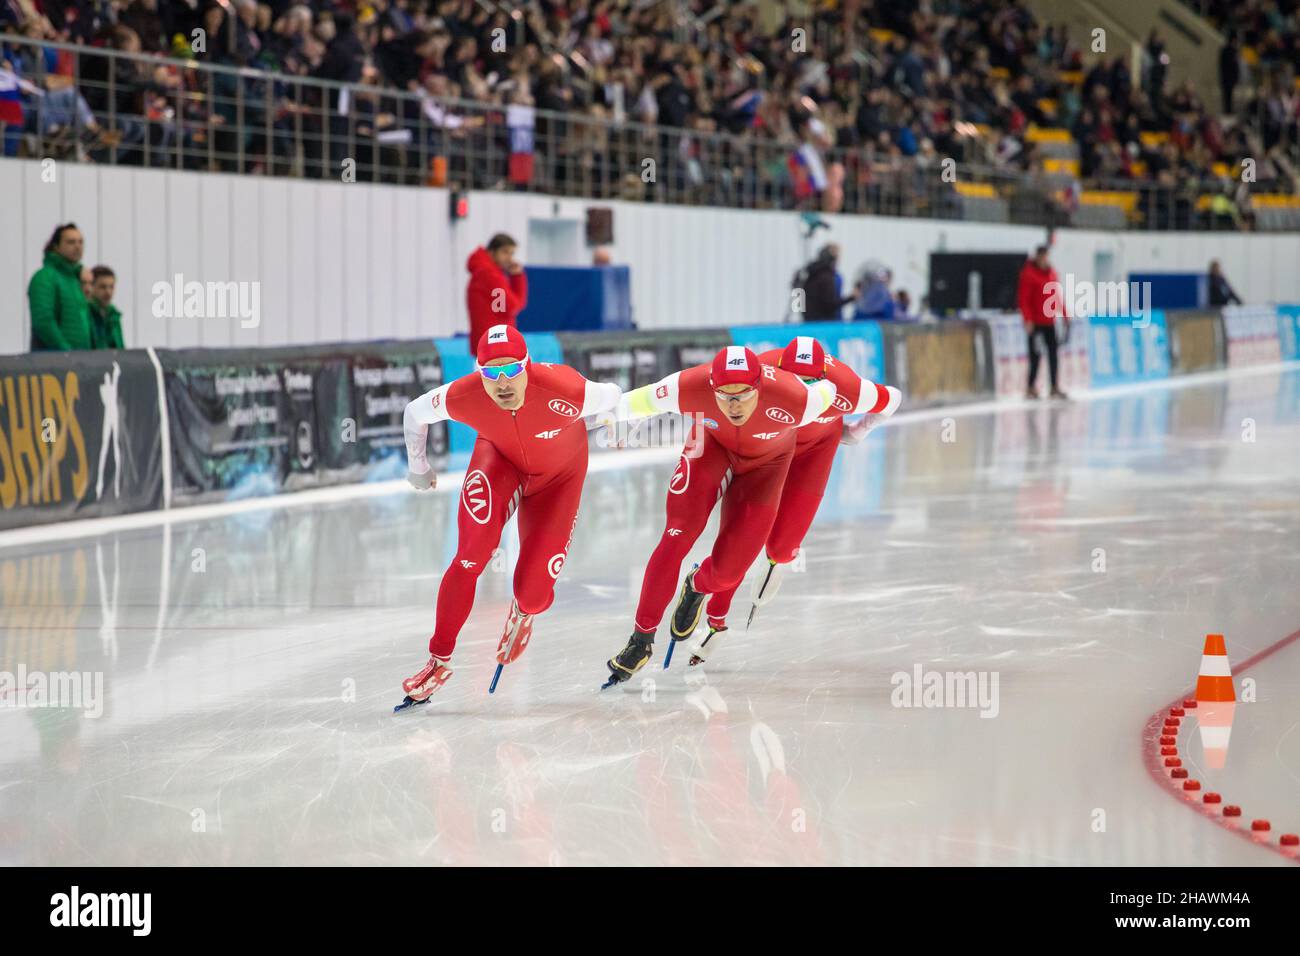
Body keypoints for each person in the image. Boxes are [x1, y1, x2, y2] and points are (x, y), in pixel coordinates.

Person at [398, 325, 622, 704]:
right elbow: (415, 412)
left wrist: (611, 423)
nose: (503, 383)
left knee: (533, 594)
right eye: (490, 374)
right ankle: (438, 659)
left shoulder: (565, 388)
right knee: (471, 554)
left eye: (513, 371)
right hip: (499, 462)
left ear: (527, 365)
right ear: (477, 373)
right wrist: (418, 467)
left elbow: (614, 395)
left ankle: (524, 612)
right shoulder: (464, 395)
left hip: (559, 479)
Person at [602, 345, 837, 686]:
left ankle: (697, 585)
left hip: (766, 470)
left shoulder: (797, 399)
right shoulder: (690, 385)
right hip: (709, 451)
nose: (733, 404)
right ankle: (640, 639)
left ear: (760, 387)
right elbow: (634, 402)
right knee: (676, 536)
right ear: (711, 386)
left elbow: (828, 391)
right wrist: (606, 417)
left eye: (743, 395)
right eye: (724, 395)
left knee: (729, 574)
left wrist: (856, 426)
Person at [692, 337, 901, 663]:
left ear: (824, 379)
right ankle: (715, 621)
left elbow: (892, 399)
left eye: (811, 383)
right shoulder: (759, 371)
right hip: (770, 450)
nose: (803, 393)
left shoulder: (846, 386)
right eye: (795, 382)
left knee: (782, 547)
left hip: (814, 453)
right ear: (778, 373)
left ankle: (776, 560)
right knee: (742, 543)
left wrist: (857, 431)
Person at [28, 223, 92, 351]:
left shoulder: (74, 281)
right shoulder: (45, 277)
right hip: (53, 364)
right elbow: (44, 321)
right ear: (56, 246)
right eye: (71, 242)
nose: (77, 246)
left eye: (80, 242)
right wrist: (66, 352)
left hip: (79, 361)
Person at [1017, 245, 1069, 400]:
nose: (1044, 259)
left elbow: (1056, 296)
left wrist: (1065, 314)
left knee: (1053, 354)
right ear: (1038, 257)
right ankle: (1030, 386)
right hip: (1035, 322)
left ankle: (1054, 386)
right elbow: (1023, 299)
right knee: (1035, 355)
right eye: (1042, 257)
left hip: (1049, 321)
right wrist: (1027, 319)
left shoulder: (1052, 273)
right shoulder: (1028, 274)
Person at [466, 233, 528, 348]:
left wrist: (516, 277)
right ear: (491, 252)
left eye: (512, 253)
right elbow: (511, 307)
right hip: (494, 344)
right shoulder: (488, 274)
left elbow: (510, 306)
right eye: (505, 252)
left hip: (490, 342)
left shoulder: (487, 272)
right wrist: (518, 277)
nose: (509, 258)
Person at [793, 244, 853, 321]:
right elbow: (830, 306)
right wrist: (851, 298)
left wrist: (803, 311)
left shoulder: (808, 273)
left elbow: (796, 297)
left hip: (808, 322)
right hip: (825, 325)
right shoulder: (826, 276)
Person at [88, 265, 126, 349]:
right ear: (91, 287)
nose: (108, 292)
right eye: (102, 287)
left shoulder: (114, 316)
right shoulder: (86, 313)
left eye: (111, 287)